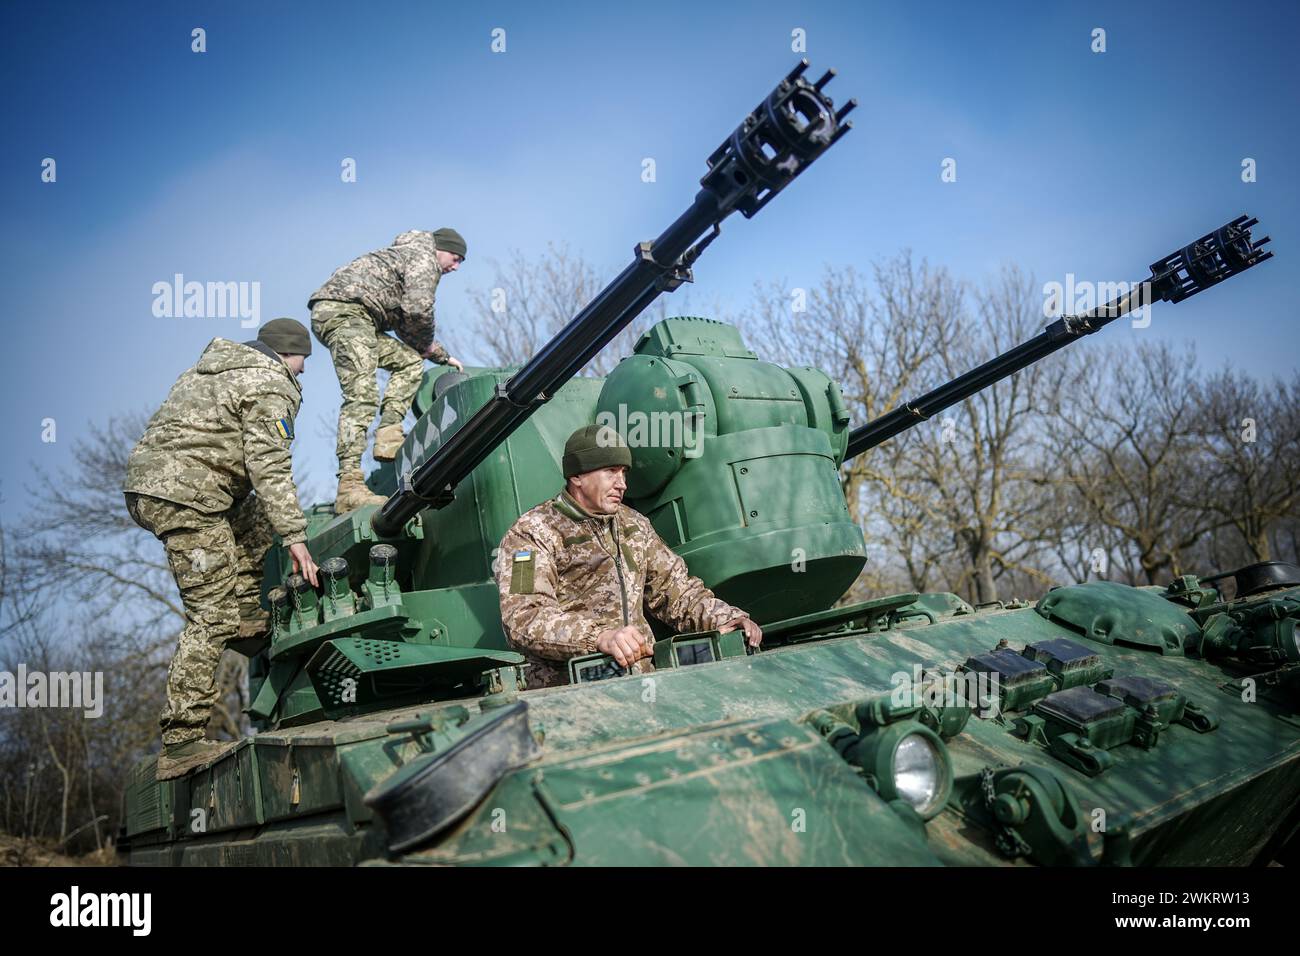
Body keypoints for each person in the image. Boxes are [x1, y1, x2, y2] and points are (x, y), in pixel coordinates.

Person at [124, 318, 319, 780]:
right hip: (188, 497)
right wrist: (296, 537)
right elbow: (269, 466)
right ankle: (182, 741)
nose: (304, 372)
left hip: (157, 489)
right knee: (210, 614)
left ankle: (247, 616)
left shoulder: (209, 370)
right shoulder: (271, 382)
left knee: (252, 519)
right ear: (286, 354)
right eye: (303, 361)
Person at [496, 424, 762, 688]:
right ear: (577, 476)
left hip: (643, 684)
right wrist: (599, 638)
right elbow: (524, 618)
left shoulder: (633, 525)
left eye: (624, 472)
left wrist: (726, 618)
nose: (621, 484)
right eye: (610, 471)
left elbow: (675, 591)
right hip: (572, 693)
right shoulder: (532, 533)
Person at [308, 227, 468, 513]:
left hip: (356, 317)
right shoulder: (423, 258)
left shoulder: (406, 257)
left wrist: (440, 355)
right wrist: (430, 346)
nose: (455, 267)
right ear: (439, 249)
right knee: (362, 395)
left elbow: (409, 324)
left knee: (408, 361)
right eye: (455, 258)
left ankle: (388, 435)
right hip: (345, 312)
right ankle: (349, 485)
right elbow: (418, 309)